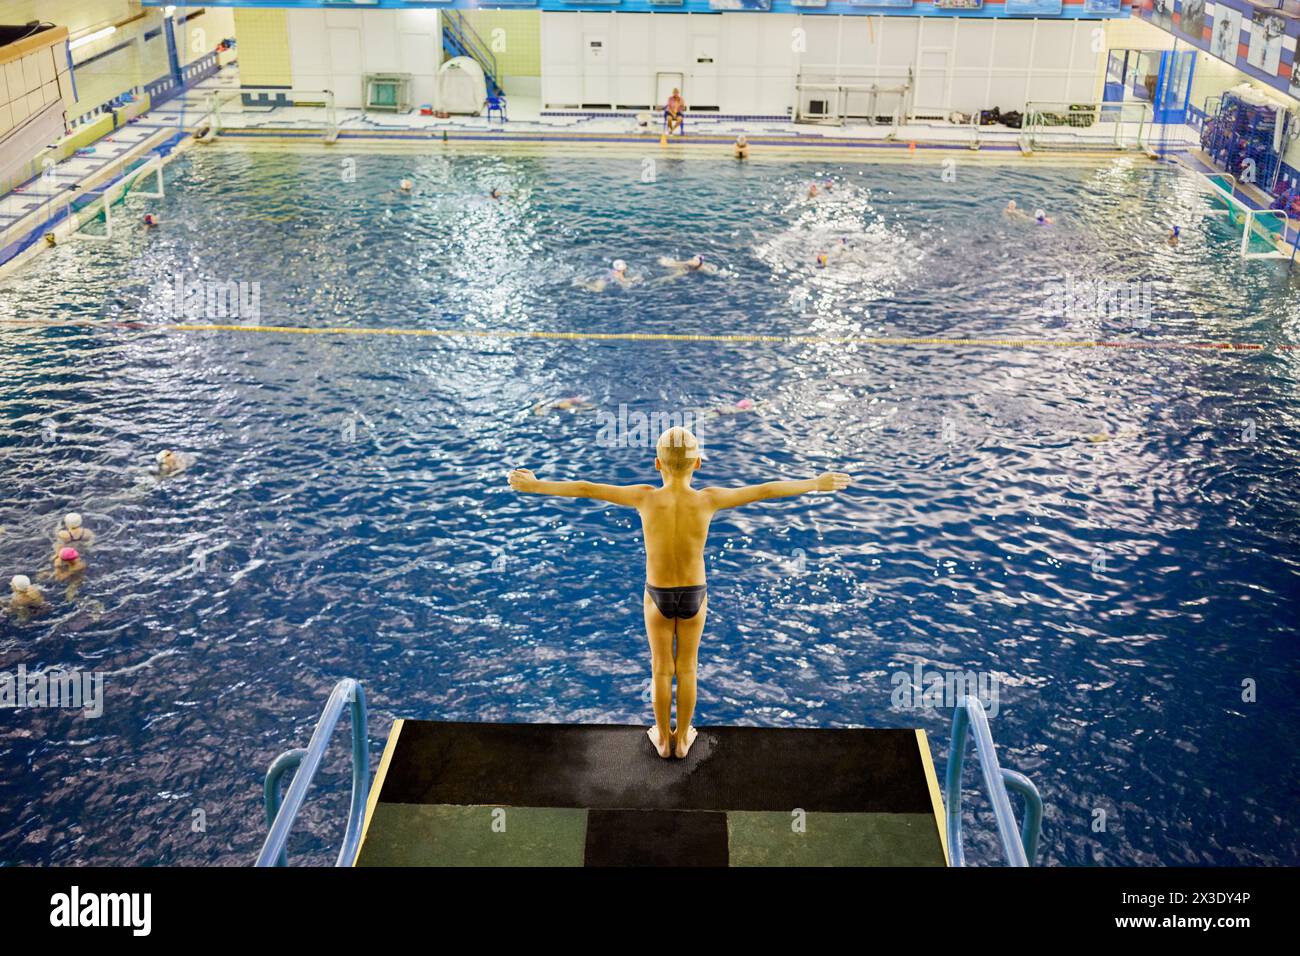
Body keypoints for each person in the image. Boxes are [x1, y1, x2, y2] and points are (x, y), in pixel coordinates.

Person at [508, 427, 851, 759]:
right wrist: (816, 484)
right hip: (694, 594)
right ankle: (683, 739)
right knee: (687, 668)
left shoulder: (643, 497)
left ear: (657, 463)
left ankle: (662, 739)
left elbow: (585, 488)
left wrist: (536, 485)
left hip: (657, 593)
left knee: (661, 668)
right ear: (698, 463)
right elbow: (765, 490)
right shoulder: (709, 499)